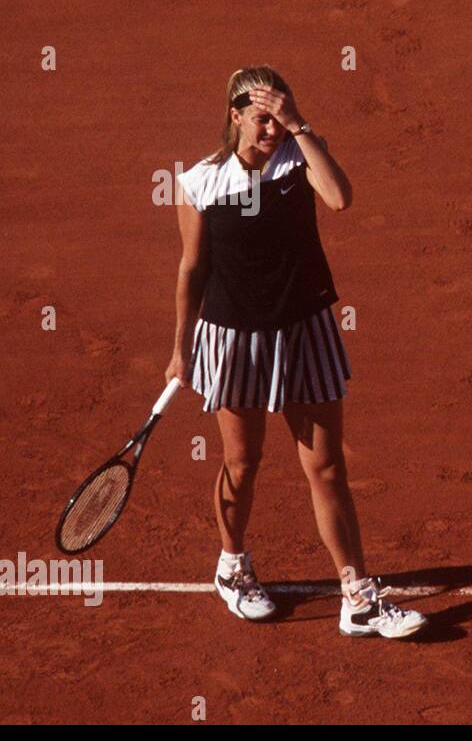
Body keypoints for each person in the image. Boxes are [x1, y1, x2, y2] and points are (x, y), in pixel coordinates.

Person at [164, 64, 426, 639]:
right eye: (262, 119)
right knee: (242, 461)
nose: (272, 130)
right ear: (234, 117)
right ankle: (232, 567)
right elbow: (192, 268)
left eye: (279, 117)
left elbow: (340, 199)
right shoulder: (199, 183)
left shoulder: (300, 155)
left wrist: (298, 123)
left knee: (327, 466)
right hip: (233, 339)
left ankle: (356, 596)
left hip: (305, 331)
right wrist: (181, 350)